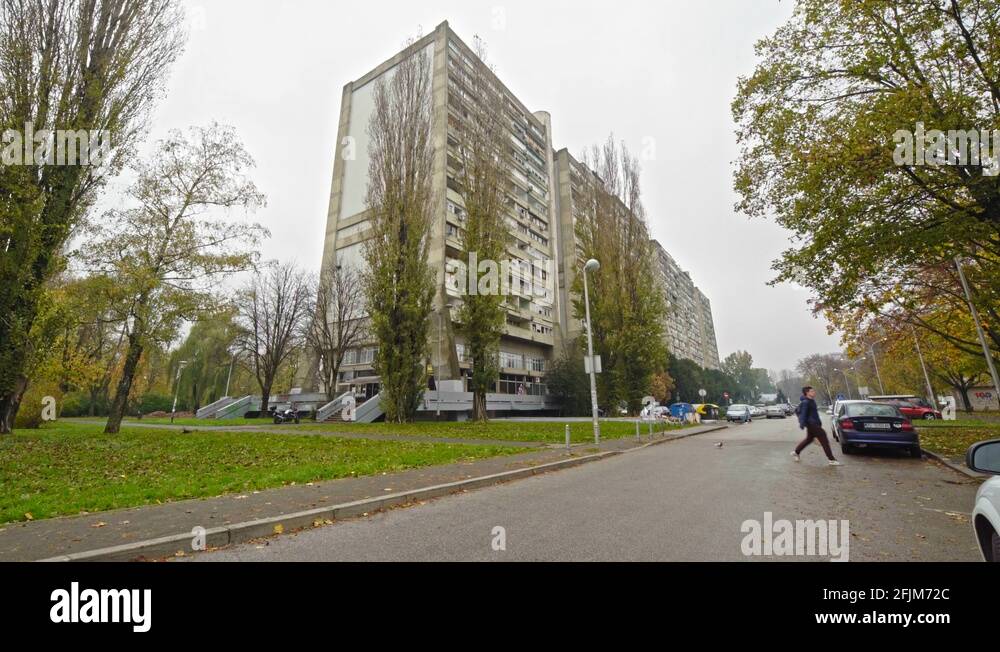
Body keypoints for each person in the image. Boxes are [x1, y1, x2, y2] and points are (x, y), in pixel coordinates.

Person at [792, 386, 841, 466]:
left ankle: (796, 452)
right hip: (812, 424)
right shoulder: (806, 402)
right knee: (824, 439)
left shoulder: (812, 401)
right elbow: (803, 414)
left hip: (814, 424)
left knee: (808, 439)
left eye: (813, 391)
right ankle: (831, 459)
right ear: (807, 393)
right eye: (812, 391)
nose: (814, 392)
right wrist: (802, 424)